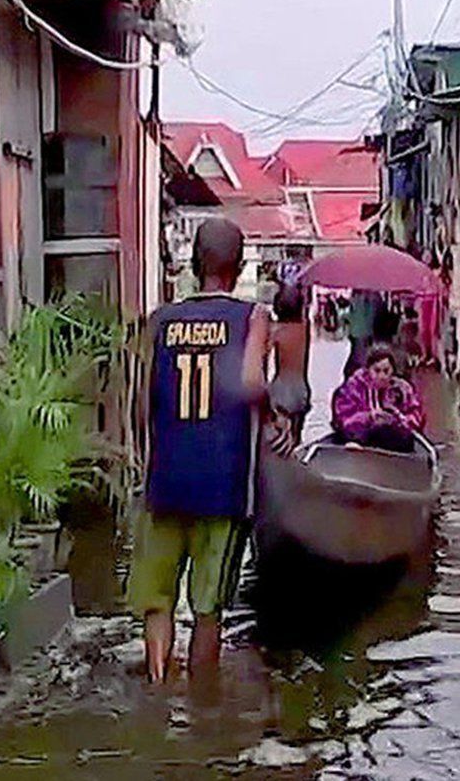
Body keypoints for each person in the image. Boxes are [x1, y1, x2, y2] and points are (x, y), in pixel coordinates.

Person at [126, 217, 271, 684]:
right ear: (241, 263)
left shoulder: (161, 319)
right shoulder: (252, 318)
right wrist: (275, 407)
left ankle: (158, 687)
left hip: (166, 479)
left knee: (157, 599)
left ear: (192, 263)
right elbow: (250, 384)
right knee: (208, 610)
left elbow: (141, 402)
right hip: (223, 483)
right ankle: (200, 707)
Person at [331, 344, 425, 452]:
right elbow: (344, 419)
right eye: (377, 371)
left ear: (392, 370)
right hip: (361, 434)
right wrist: (369, 417)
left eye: (386, 371)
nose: (381, 376)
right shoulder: (354, 387)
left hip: (393, 437)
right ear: (368, 370)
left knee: (396, 435)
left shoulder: (403, 389)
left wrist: (397, 420)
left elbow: (415, 416)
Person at [268, 281, 311, 454]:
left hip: (282, 389)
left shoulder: (277, 331)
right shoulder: (305, 328)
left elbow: (264, 354)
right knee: (296, 437)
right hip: (302, 388)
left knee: (281, 441)